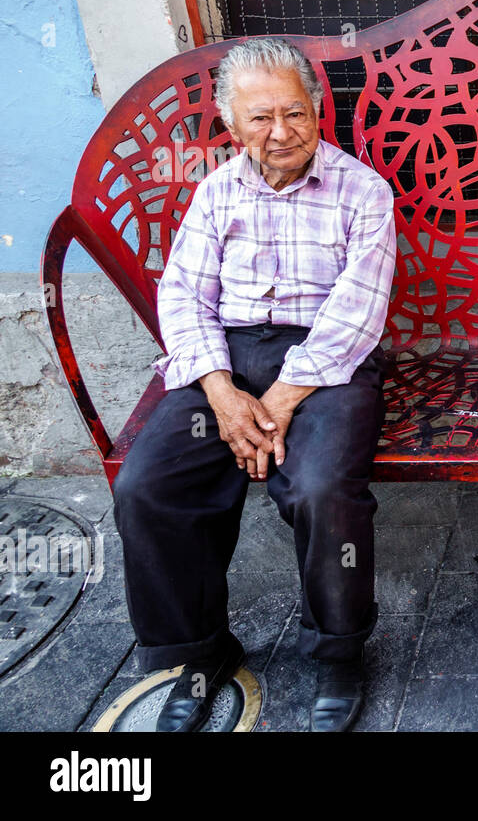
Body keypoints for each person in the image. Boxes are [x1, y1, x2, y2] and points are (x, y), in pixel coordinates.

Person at [111, 37, 396, 732]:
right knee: (147, 486)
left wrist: (275, 403)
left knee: (324, 489)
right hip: (226, 361)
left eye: (294, 113)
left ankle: (337, 651)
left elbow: (357, 311)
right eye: (260, 118)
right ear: (233, 127)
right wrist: (219, 390)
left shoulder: (361, 190)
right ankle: (200, 652)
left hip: (327, 363)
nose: (281, 132)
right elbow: (182, 295)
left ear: (318, 112)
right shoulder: (217, 192)